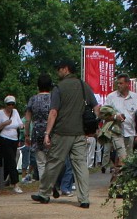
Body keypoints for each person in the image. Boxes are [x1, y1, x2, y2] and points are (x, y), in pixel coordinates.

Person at [31, 58, 95, 209]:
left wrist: (47, 133)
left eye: (59, 69)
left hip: (62, 132)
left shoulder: (58, 88)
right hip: (80, 133)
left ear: (65, 69)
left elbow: (53, 112)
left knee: (54, 162)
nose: (57, 72)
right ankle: (84, 198)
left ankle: (44, 193)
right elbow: (96, 107)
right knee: (81, 165)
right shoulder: (83, 85)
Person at [107, 74, 137, 161]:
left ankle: (120, 173)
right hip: (116, 132)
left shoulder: (136, 97)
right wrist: (115, 117)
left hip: (130, 132)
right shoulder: (111, 97)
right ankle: (120, 170)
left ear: (127, 84)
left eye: (121, 83)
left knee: (128, 158)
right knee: (122, 155)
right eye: (118, 83)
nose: (118, 85)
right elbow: (104, 115)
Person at [0, 95, 24, 193]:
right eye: (9, 104)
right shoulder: (1, 113)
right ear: (5, 105)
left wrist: (21, 126)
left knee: (8, 161)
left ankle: (0, 180)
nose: (11, 106)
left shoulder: (15, 112)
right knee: (12, 161)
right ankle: (15, 183)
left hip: (14, 139)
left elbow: (20, 123)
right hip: (4, 139)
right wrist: (5, 124)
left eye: (12, 104)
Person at [26, 74, 54, 183]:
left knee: (41, 162)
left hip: (37, 131)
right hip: (51, 130)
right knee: (51, 160)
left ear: (38, 86)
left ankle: (44, 187)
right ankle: (52, 183)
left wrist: (27, 135)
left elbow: (28, 120)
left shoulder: (33, 99)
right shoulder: (54, 98)